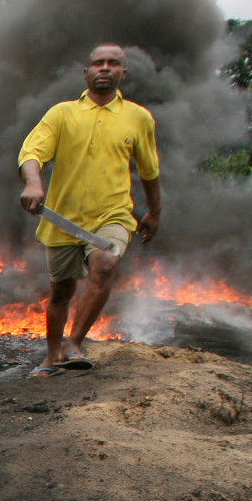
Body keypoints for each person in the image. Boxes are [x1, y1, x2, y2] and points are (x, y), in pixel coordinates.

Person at [17, 44, 161, 376]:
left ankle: (74, 345)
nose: (105, 68)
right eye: (98, 63)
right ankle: (52, 355)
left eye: (113, 64)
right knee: (61, 291)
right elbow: (31, 153)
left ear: (123, 73)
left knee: (106, 263)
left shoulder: (138, 118)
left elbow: (150, 170)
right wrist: (33, 184)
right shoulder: (61, 113)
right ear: (86, 72)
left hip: (113, 215)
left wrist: (154, 211)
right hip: (63, 219)